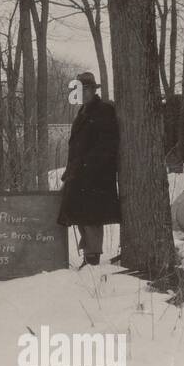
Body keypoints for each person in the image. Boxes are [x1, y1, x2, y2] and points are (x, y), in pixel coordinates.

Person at [56, 71, 120, 266]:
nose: (81, 94)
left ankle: (93, 259)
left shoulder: (103, 110)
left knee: (92, 217)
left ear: (93, 90)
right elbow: (77, 146)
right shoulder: (83, 112)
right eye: (78, 90)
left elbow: (107, 145)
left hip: (96, 175)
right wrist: (71, 172)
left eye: (84, 89)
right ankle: (88, 256)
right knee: (80, 215)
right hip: (80, 173)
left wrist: (86, 167)